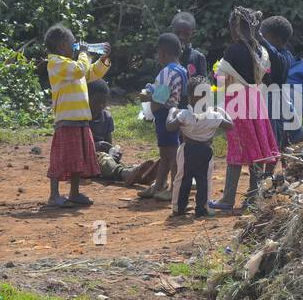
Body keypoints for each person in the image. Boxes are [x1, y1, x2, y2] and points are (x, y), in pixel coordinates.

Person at [210, 6, 280, 211]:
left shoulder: (233, 50)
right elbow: (265, 77)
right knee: (256, 148)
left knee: (237, 147)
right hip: (256, 102)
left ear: (235, 26)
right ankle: (252, 198)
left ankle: (228, 199)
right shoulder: (261, 50)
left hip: (237, 104)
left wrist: (218, 74)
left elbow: (222, 80)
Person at [44, 25, 108, 208]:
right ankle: (54, 195)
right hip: (66, 120)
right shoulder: (55, 63)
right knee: (61, 158)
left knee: (77, 158)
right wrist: (84, 53)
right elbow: (81, 69)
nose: (75, 46)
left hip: (80, 118)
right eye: (72, 43)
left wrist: (103, 60)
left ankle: (74, 192)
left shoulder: (73, 67)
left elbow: (91, 73)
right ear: (62, 45)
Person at [137, 32, 188, 202]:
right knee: (166, 154)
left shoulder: (166, 72)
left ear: (163, 53)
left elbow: (160, 97)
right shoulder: (181, 70)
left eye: (158, 53)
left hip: (166, 115)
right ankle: (159, 185)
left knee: (171, 155)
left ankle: (173, 189)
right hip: (173, 114)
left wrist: (146, 96)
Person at [166, 99, 233, 217]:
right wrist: (223, 112)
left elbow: (169, 126)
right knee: (204, 180)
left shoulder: (185, 114)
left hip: (187, 150)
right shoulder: (214, 115)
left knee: (182, 179)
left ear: (190, 98)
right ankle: (202, 208)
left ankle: (178, 208)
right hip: (205, 150)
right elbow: (230, 125)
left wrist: (171, 111)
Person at [88, 80, 156, 186]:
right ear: (87, 99)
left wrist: (114, 151)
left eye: (104, 102)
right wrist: (96, 146)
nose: (101, 106)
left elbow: (109, 144)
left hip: (103, 161)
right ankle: (127, 174)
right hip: (87, 160)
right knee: (103, 158)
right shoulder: (82, 119)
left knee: (114, 162)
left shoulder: (106, 117)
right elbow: (78, 148)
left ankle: (139, 176)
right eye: (96, 102)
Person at [260, 15, 303, 149]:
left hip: (275, 101)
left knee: (275, 135)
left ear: (277, 40)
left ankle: (270, 168)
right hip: (265, 98)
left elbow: (275, 57)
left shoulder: (285, 56)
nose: (261, 40)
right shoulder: (265, 55)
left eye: (264, 36)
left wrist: (261, 41)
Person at [171, 11, 209, 107]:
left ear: (193, 33)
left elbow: (203, 86)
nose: (181, 37)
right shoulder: (167, 56)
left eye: (186, 34)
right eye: (178, 33)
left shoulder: (198, 57)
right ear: (172, 31)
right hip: (171, 107)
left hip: (192, 107)